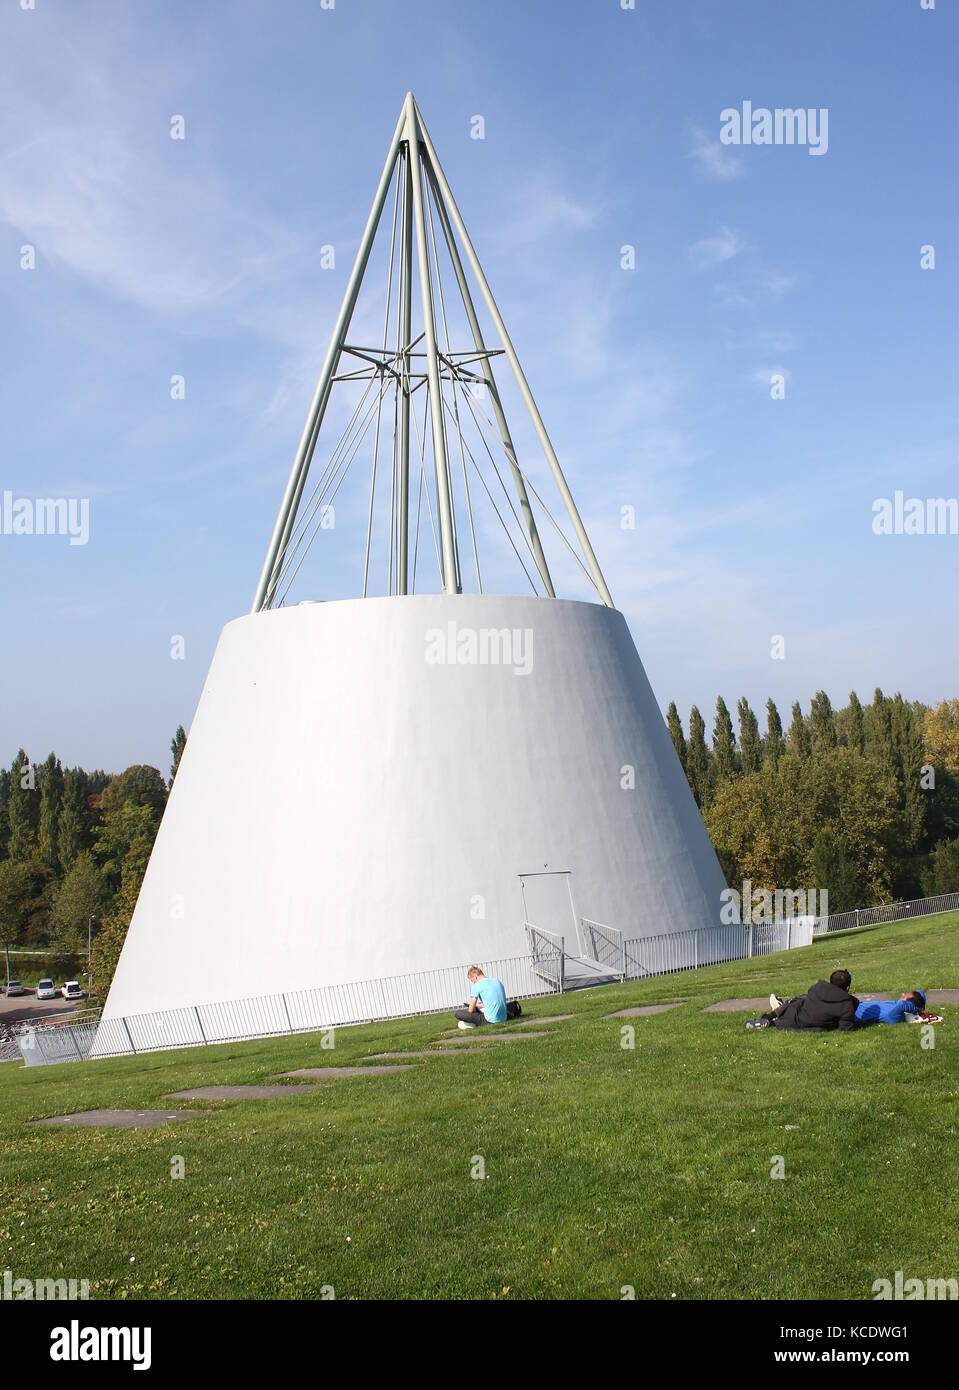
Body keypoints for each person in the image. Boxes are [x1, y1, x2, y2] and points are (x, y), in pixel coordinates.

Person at [745, 969, 860, 1032]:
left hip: (795, 1014)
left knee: (797, 1000)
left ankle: (768, 1017)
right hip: (806, 1026)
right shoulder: (847, 1005)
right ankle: (772, 1021)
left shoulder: (818, 987)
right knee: (797, 1005)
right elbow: (845, 1028)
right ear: (848, 987)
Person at [854, 990, 926, 1025]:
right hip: (856, 1004)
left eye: (905, 996)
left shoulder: (895, 1014)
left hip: (854, 1011)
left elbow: (901, 1004)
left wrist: (916, 1009)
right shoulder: (895, 1006)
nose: (903, 994)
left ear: (908, 1004)